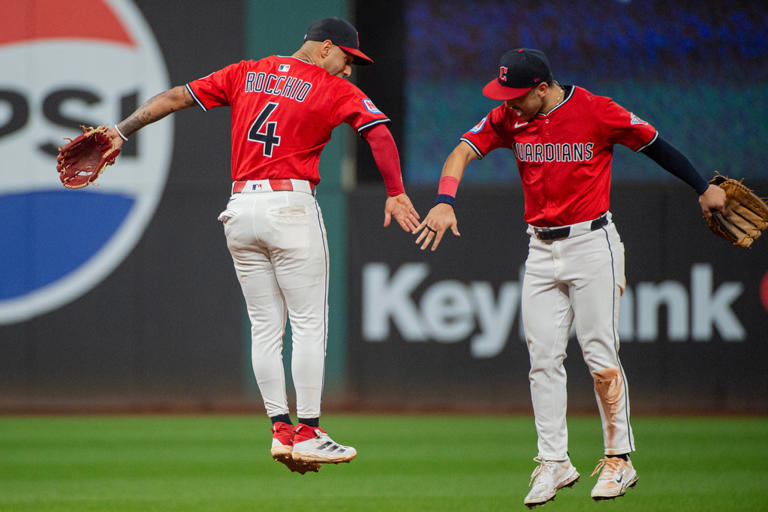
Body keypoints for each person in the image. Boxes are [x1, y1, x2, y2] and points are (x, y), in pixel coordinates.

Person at [104, 17, 420, 474]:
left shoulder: (245, 71)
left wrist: (121, 130)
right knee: (309, 324)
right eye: (348, 59)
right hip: (290, 207)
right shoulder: (333, 88)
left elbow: (175, 97)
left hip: (240, 209)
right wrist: (395, 190)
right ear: (326, 48)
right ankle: (309, 431)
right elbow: (379, 132)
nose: (350, 70)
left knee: (264, 327)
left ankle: (280, 430)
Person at [414, 48, 726, 506]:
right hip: (539, 248)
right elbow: (461, 150)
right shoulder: (507, 116)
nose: (509, 104)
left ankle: (620, 458)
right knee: (542, 359)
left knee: (600, 354)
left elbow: (656, 144)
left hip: (591, 243)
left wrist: (703, 187)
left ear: (543, 87)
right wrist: (445, 199)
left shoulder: (598, 110)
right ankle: (554, 461)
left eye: (517, 95)